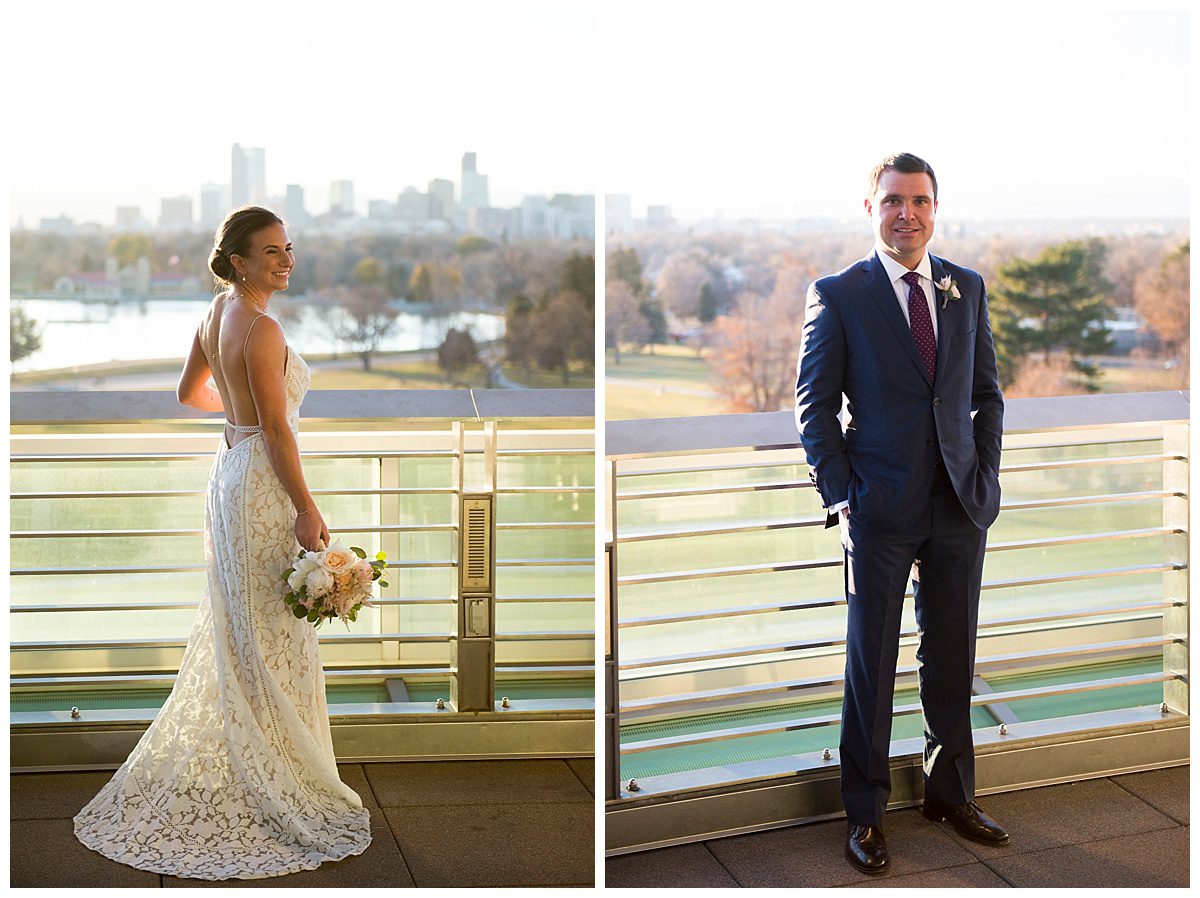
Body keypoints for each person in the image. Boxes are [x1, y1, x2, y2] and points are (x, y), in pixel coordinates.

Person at [74, 207, 372, 880]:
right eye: (271, 251)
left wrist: (236, 427)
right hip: (263, 486)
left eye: (288, 249)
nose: (285, 260)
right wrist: (306, 507)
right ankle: (272, 777)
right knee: (270, 632)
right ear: (239, 260)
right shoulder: (262, 330)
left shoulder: (215, 314)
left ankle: (259, 761)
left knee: (248, 630)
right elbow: (278, 429)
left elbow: (190, 393)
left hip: (229, 477)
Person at [794, 153, 1007, 875]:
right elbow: (813, 409)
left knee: (952, 661)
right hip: (878, 509)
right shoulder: (838, 294)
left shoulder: (964, 288)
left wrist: (984, 479)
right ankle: (866, 815)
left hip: (957, 506)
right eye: (893, 201)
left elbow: (987, 396)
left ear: (935, 208)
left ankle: (950, 795)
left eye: (919, 200)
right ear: (870, 208)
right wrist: (842, 496)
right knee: (870, 666)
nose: (906, 213)